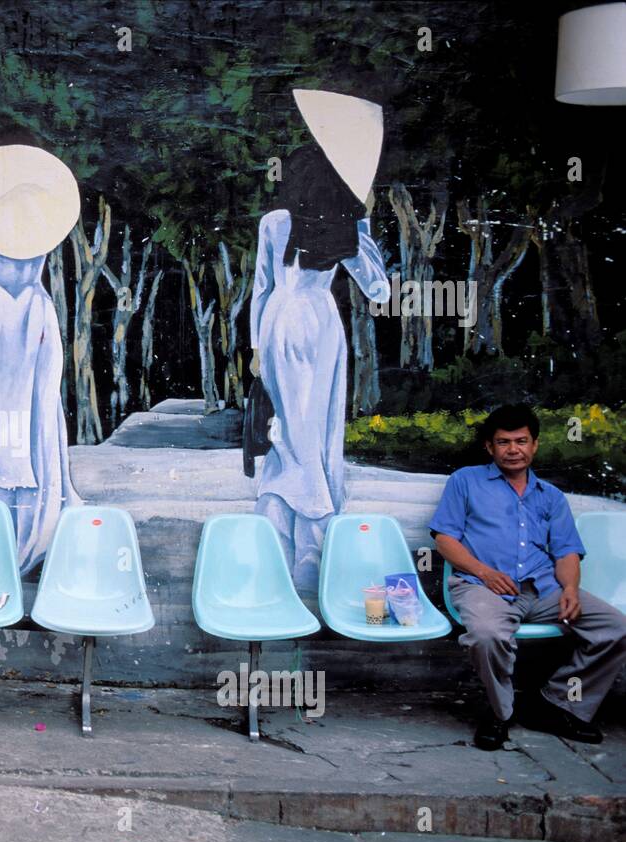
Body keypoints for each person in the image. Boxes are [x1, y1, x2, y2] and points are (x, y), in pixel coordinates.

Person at [250, 89, 391, 591]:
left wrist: (256, 347)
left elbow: (261, 290)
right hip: (320, 324)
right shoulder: (346, 225)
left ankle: (276, 531)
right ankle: (311, 541)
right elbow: (378, 289)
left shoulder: (273, 223)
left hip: (278, 324)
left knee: (286, 431)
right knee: (315, 431)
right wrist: (365, 223)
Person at [430, 404, 626, 751]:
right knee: (487, 634)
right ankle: (498, 714)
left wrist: (570, 589)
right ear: (490, 447)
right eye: (503, 442)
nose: (513, 449)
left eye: (521, 441)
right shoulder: (465, 481)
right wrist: (485, 572)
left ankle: (556, 704)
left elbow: (565, 551)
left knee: (615, 628)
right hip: (482, 587)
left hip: (543, 590)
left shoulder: (550, 496)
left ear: (534, 445)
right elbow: (444, 538)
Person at [0, 143, 81, 573]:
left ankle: (6, 526)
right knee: (31, 417)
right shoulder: (40, 222)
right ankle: (29, 528)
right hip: (29, 311)